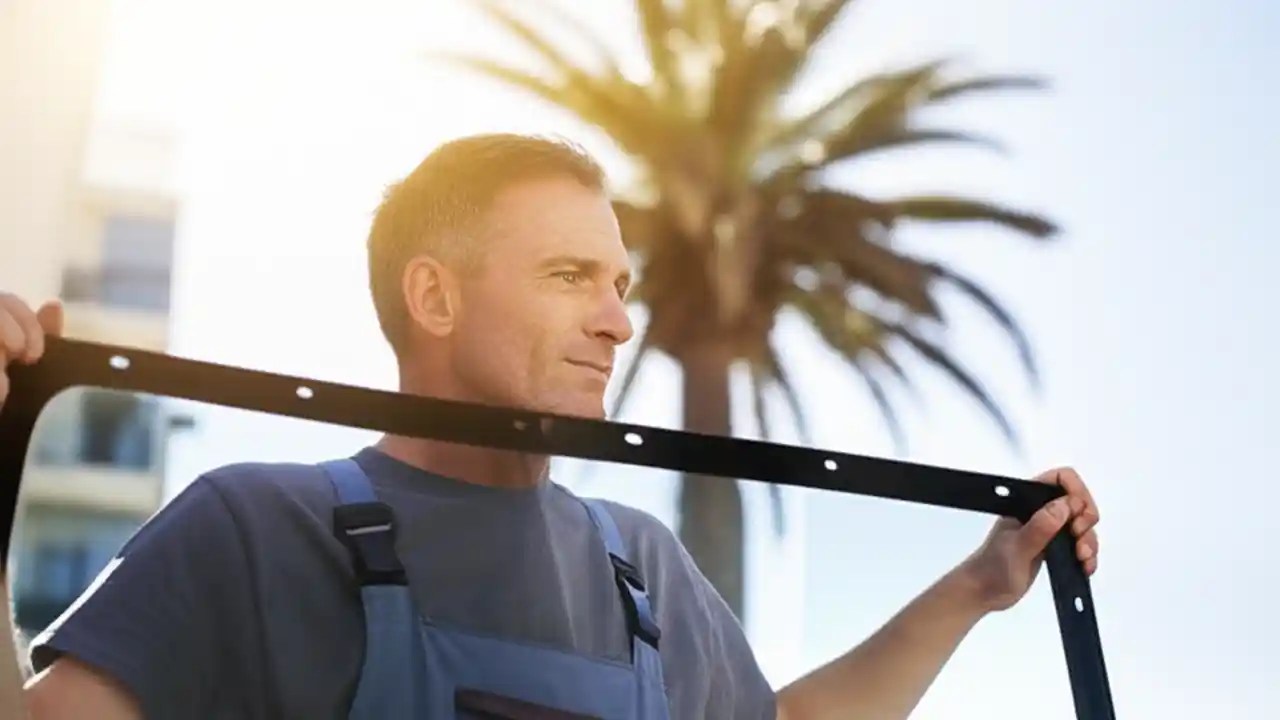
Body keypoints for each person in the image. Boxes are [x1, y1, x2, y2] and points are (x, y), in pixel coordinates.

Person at [0, 134, 1101, 719]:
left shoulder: (644, 570)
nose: (618, 320)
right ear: (432, 298)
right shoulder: (251, 527)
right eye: (570, 276)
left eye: (619, 282)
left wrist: (979, 584)